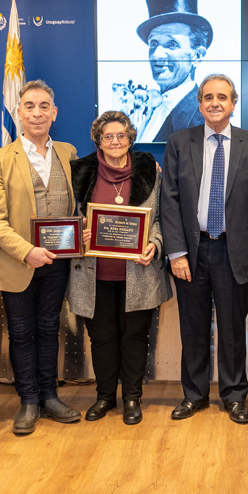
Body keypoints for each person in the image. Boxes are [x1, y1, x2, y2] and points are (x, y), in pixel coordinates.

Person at [160, 74, 248, 424]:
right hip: (192, 253)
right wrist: (176, 253)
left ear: (233, 103)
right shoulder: (180, 142)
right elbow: (170, 201)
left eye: (222, 97)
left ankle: (234, 396)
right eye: (208, 97)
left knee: (232, 329)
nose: (215, 103)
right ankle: (194, 395)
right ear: (199, 103)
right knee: (193, 328)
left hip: (234, 252)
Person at [0, 80, 82, 435]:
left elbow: (78, 206)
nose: (37, 113)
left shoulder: (69, 154)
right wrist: (27, 251)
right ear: (19, 113)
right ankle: (28, 401)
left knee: (48, 329)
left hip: (58, 263)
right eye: (29, 106)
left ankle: (50, 397)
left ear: (54, 113)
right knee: (22, 333)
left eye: (44, 106)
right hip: (17, 263)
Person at [66, 111, 171, 425]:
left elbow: (162, 217)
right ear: (98, 140)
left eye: (121, 135)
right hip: (93, 273)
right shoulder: (80, 171)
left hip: (139, 271)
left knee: (134, 337)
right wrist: (78, 232)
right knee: (102, 338)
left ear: (131, 138)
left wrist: (154, 244)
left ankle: (132, 398)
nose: (115, 141)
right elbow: (64, 217)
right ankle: (104, 396)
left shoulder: (149, 169)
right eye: (108, 136)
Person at [134, 0, 212, 143]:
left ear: (196, 56)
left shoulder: (200, 120)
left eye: (171, 44)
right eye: (153, 43)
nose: (157, 54)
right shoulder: (152, 105)